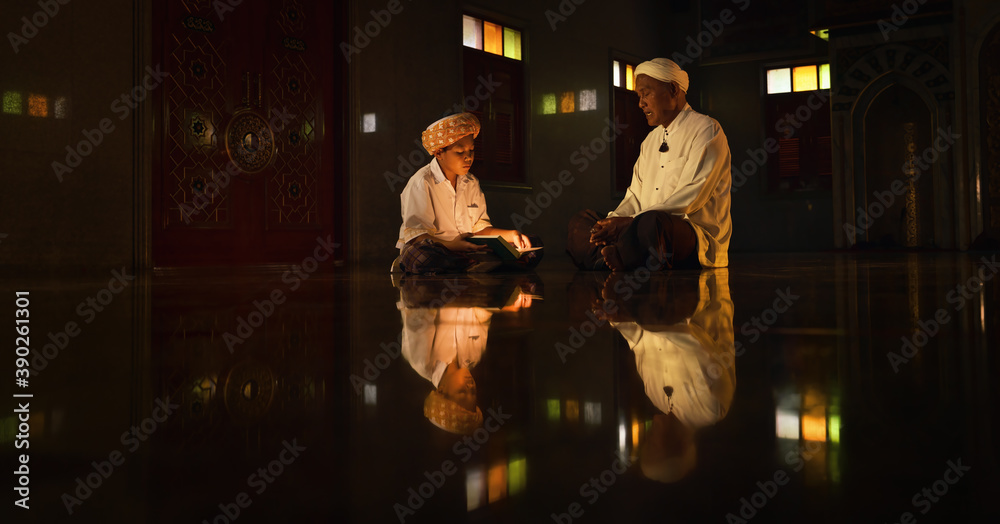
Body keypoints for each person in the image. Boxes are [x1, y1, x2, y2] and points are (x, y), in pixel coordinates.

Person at [567, 58, 732, 271]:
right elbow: (634, 196)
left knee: (652, 223)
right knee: (582, 222)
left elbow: (690, 198)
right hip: (639, 229)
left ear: (673, 89)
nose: (640, 103)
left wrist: (629, 222)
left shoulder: (706, 129)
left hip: (687, 234)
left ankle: (614, 256)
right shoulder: (650, 141)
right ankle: (616, 256)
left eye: (646, 94)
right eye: (639, 96)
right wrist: (612, 222)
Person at [394, 112, 542, 274]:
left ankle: (470, 265)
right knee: (419, 256)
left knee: (533, 243)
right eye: (460, 152)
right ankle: (482, 266)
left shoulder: (471, 182)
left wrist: (512, 235)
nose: (468, 157)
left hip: (468, 248)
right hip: (440, 249)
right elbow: (418, 237)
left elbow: (480, 229)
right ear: (438, 153)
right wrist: (453, 245)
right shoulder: (422, 182)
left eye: (471, 150)